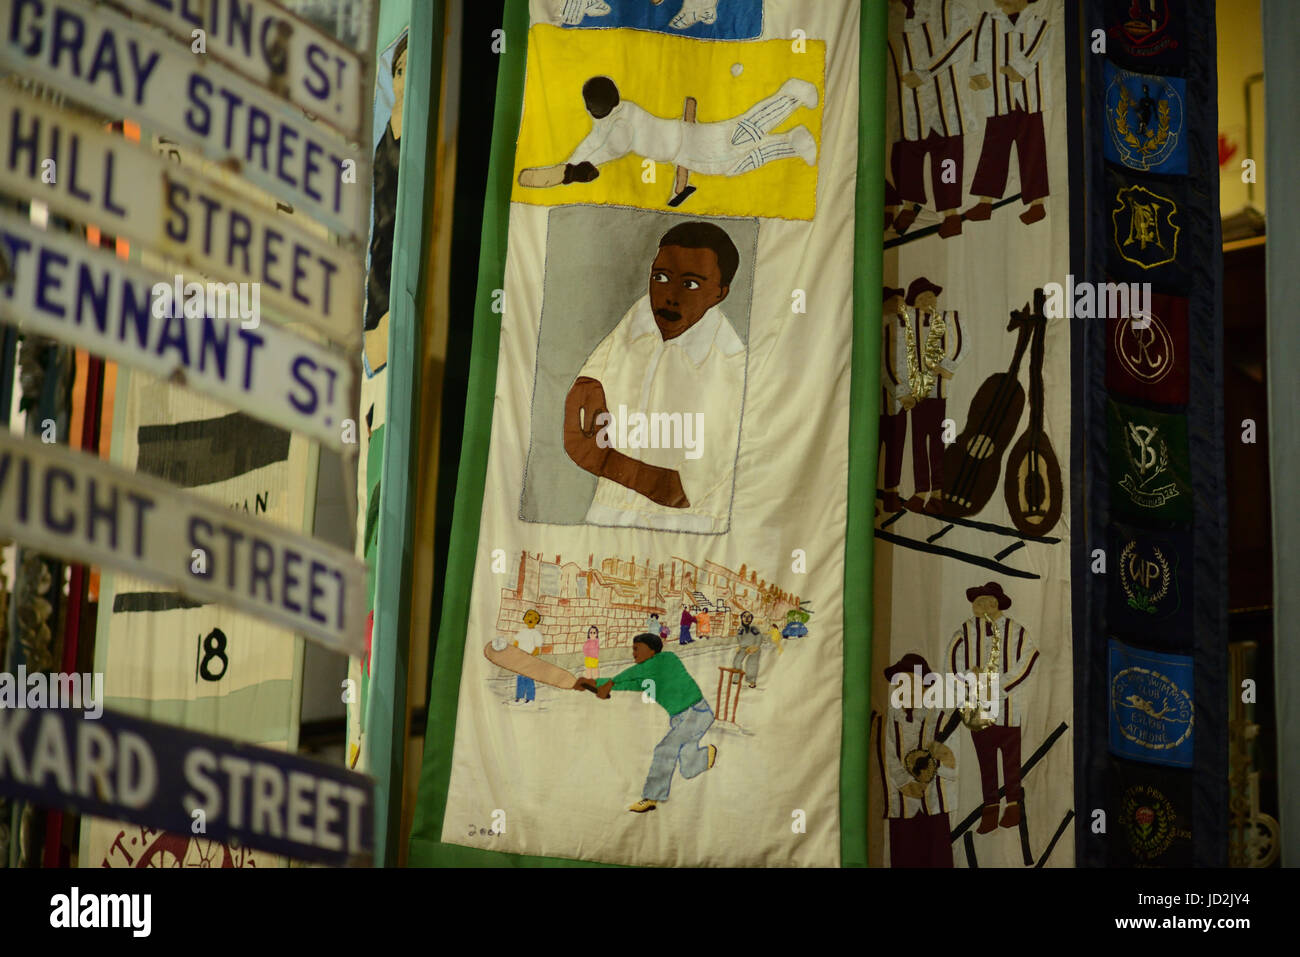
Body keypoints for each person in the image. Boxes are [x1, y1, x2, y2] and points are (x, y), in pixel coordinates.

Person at [563, 222, 746, 533]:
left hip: (685, 535)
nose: (669, 296)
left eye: (690, 284)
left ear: (719, 293)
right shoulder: (642, 315)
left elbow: (685, 489)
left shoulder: (731, 368)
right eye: (660, 278)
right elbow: (592, 379)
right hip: (607, 518)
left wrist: (603, 461)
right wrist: (586, 389)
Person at [527, 75, 818, 186]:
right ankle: (791, 142)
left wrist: (575, 170)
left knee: (737, 139)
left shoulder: (622, 122)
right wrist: (571, 166)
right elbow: (593, 142)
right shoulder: (612, 117)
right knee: (733, 161)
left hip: (685, 145)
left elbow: (608, 147)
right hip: (683, 147)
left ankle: (791, 96)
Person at [576, 633, 717, 813]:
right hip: (680, 719)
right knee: (688, 769)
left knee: (665, 749)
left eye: (637, 648)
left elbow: (632, 674)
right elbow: (626, 683)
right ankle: (707, 754)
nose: (633, 653)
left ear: (651, 650)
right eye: (633, 649)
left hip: (696, 712)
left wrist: (609, 683)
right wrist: (593, 683)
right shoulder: (646, 677)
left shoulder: (666, 659)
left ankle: (651, 798)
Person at [947, 582, 1039, 833]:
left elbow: (1029, 658)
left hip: (1008, 710)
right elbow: (952, 662)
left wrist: (1000, 685)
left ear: (999, 604)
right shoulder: (965, 631)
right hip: (978, 710)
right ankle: (990, 808)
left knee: (1011, 761)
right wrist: (969, 679)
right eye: (979, 602)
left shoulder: (1015, 630)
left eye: (990, 601)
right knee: (985, 762)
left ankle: (1013, 805)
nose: (985, 606)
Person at [885, 0, 975, 239]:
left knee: (947, 159)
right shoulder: (888, 14)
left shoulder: (947, 8)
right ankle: (909, 206)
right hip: (907, 105)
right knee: (906, 158)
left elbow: (960, 39)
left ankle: (950, 213)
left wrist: (926, 71)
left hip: (943, 101)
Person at [965, 0, 1051, 226]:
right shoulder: (987, 20)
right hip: (999, 96)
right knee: (993, 149)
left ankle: (1037, 204)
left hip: (1029, 98)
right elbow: (977, 48)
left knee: (1032, 150)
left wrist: (1019, 68)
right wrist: (977, 72)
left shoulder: (1037, 22)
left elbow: (1037, 45)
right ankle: (985, 202)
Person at [879, 653, 957, 867]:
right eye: (900, 684)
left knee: (938, 858)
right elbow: (887, 754)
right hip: (902, 805)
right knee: (905, 856)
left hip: (933, 803)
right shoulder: (888, 720)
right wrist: (905, 783)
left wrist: (938, 767)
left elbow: (950, 758)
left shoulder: (938, 718)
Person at [896, 277, 964, 515]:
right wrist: (904, 391)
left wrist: (944, 367)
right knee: (918, 443)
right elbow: (900, 355)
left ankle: (937, 492)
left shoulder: (947, 318)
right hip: (917, 394)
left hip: (939, 393)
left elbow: (961, 343)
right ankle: (920, 491)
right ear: (914, 302)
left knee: (937, 442)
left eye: (931, 296)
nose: (928, 300)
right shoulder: (907, 323)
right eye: (922, 297)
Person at [513, 609, 545, 704]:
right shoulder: (522, 632)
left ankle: (530, 698)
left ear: (537, 621)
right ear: (525, 618)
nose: (531, 619)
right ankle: (519, 696)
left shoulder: (536, 634)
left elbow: (537, 648)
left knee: (529, 678)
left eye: (535, 618)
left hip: (530, 659)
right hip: (520, 658)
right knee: (520, 678)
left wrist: (530, 657)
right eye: (529, 615)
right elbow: (516, 643)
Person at [732, 611, 764, 688]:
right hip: (743, 647)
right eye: (744, 616)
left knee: (751, 663)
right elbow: (739, 638)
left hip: (754, 647)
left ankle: (751, 681)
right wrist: (740, 646)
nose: (746, 618)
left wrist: (756, 647)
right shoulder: (740, 629)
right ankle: (736, 678)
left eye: (748, 617)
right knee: (737, 661)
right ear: (741, 618)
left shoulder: (754, 628)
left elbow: (759, 637)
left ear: (751, 619)